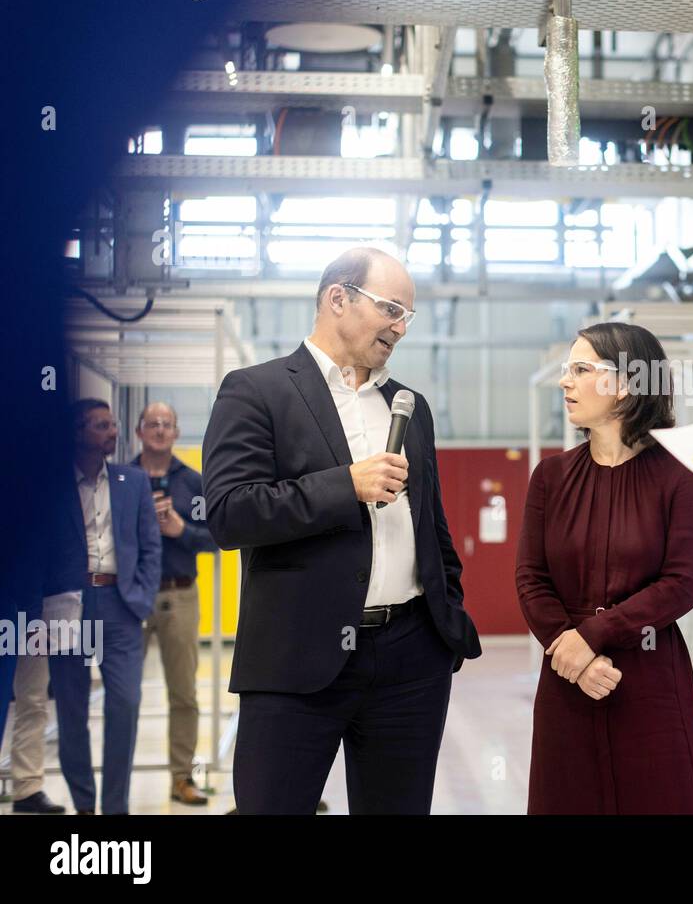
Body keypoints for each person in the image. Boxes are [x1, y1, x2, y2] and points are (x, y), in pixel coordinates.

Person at [202, 246, 481, 815]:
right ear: (337, 299)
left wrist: (444, 618)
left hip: (410, 659)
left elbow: (431, 525)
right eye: (390, 309)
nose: (400, 327)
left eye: (408, 316)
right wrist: (344, 486)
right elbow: (230, 512)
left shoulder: (411, 406)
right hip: (295, 660)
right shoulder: (256, 391)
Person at [515, 322, 693, 814]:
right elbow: (531, 578)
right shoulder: (551, 477)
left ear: (626, 383)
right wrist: (574, 652)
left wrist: (594, 637)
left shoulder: (681, 475)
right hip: (566, 678)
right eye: (567, 370)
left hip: (647, 679)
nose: (566, 381)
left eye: (581, 369)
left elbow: (681, 584)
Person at [48, 399, 162, 815]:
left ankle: (116, 808)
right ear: (78, 432)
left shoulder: (133, 481)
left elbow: (151, 545)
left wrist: (143, 598)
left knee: (125, 704)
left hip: (121, 604)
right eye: (101, 426)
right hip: (67, 606)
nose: (112, 433)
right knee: (71, 711)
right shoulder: (55, 484)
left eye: (113, 425)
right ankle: (83, 805)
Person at [132, 401, 215, 806]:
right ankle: (115, 785)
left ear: (177, 432)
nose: (160, 430)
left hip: (180, 593)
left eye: (167, 424)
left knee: (183, 692)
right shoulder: (122, 479)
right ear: (139, 431)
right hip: (129, 595)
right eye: (153, 424)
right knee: (123, 694)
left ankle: (182, 779)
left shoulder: (193, 483)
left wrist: (180, 530)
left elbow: (216, 538)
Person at [7, 477, 86, 814]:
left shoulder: (54, 475)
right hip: (17, 602)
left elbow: (67, 547)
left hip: (36, 605)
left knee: (34, 698)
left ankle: (26, 788)